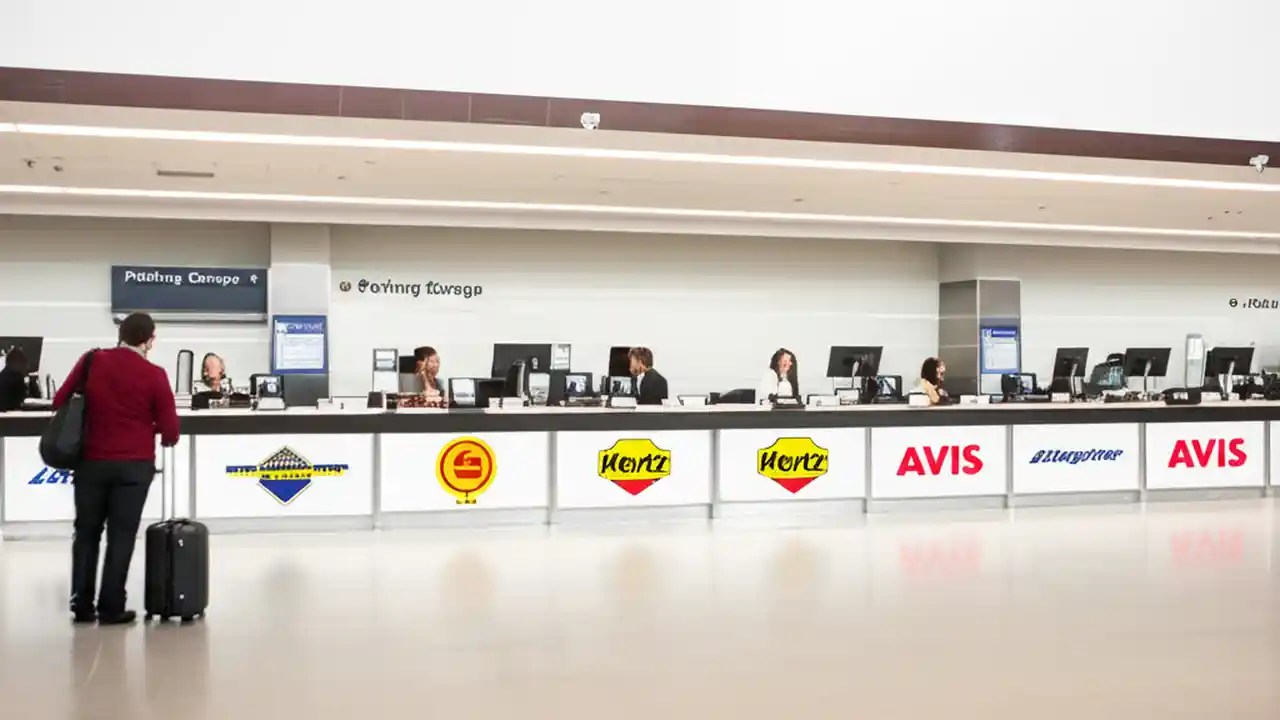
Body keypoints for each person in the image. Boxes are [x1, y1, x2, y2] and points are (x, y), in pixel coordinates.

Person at [53, 312, 180, 625]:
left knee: (86, 533)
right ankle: (112, 606)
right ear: (148, 341)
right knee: (121, 536)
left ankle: (81, 604)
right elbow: (171, 431)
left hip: (91, 463)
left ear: (120, 335)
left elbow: (59, 401)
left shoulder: (91, 361)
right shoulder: (155, 374)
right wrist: (148, 426)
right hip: (133, 467)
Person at [0, 347, 29, 411]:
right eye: (23, 362)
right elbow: (21, 399)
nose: (26, 366)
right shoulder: (17, 377)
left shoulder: (3, 375)